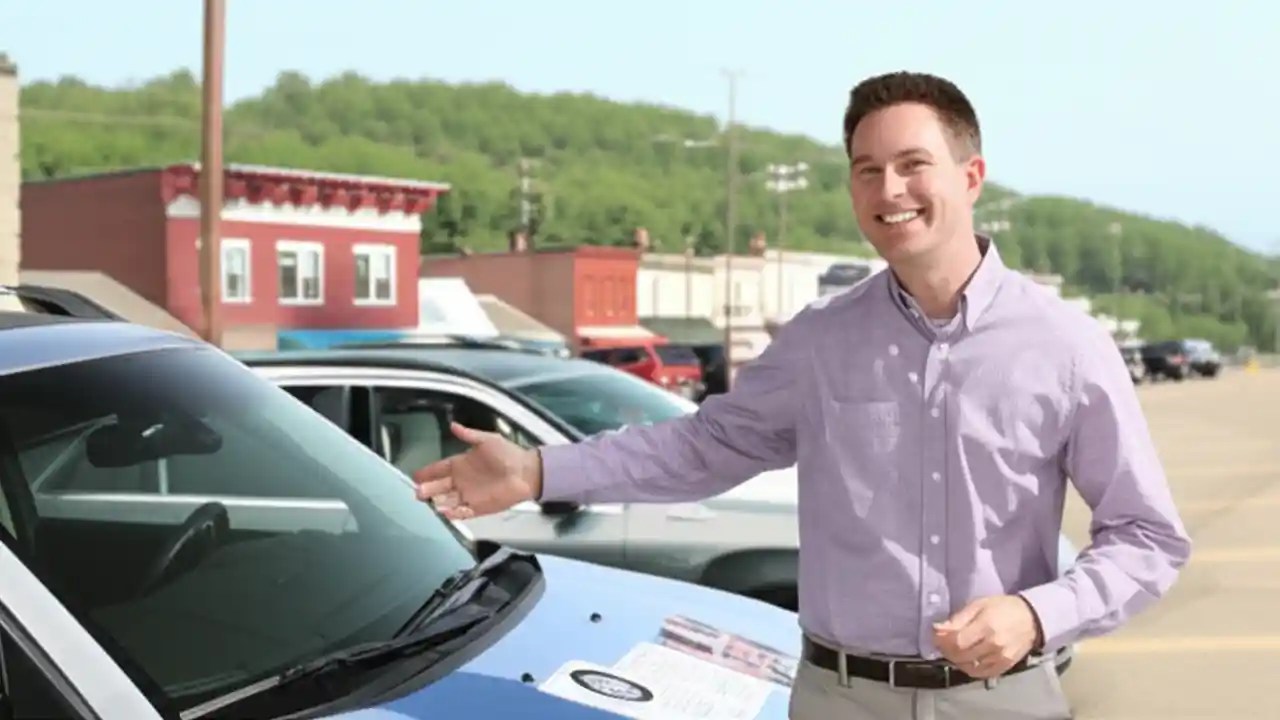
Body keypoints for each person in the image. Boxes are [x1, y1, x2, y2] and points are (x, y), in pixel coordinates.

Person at [413, 70, 1192, 719]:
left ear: (971, 176)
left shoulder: (1064, 345)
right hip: (838, 697)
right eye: (867, 169)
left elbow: (1147, 538)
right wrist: (538, 472)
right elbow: (702, 446)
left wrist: (1034, 613)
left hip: (1002, 699)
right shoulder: (821, 341)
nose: (891, 189)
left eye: (914, 163)